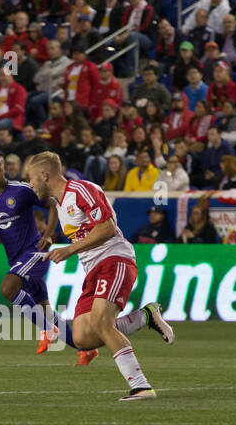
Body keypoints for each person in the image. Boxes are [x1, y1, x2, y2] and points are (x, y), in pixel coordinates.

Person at [25, 150, 173, 400]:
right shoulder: (60, 203)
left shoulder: (82, 190)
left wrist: (69, 249)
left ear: (43, 174)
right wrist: (49, 235)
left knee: (102, 323)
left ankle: (141, 386)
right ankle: (144, 317)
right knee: (82, 339)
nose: (30, 185)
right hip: (93, 270)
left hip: (114, 260)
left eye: (30, 178)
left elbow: (107, 228)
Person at [0, 148, 83, 360]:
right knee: (46, 311)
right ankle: (85, 349)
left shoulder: (21, 190)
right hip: (17, 261)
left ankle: (48, 332)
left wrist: (49, 235)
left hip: (36, 253)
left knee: (8, 287)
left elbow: (52, 204)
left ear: (4, 166)